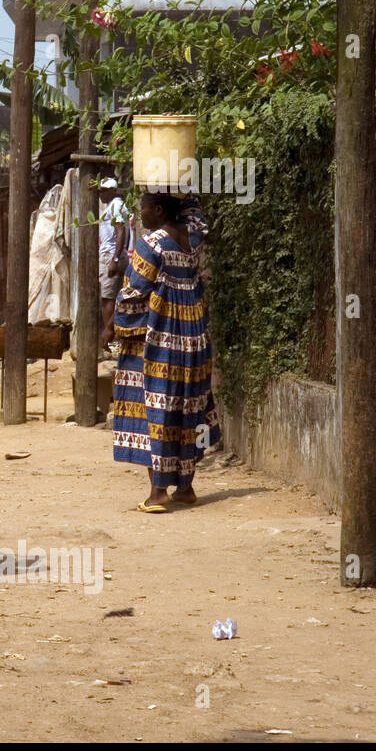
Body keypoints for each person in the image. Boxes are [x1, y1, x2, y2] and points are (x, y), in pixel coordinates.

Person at [102, 192, 220, 512]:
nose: (140, 215)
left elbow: (134, 291)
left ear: (157, 209)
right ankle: (186, 486)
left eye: (142, 208)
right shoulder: (192, 239)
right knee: (187, 408)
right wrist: (181, 188)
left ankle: (157, 492)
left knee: (157, 409)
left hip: (162, 340)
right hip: (195, 339)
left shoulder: (152, 244)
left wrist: (114, 324)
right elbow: (196, 213)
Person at [98, 178, 130, 356]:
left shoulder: (116, 205)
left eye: (103, 190)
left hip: (112, 255)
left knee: (108, 298)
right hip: (113, 254)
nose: (101, 194)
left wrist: (115, 259)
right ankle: (114, 343)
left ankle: (110, 345)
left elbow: (120, 231)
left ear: (112, 190)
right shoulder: (113, 205)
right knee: (114, 298)